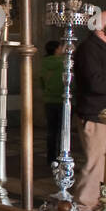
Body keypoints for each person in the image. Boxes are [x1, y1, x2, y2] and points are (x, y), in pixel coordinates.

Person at [74, 10, 106, 211]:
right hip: (95, 114)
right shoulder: (89, 49)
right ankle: (84, 204)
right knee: (97, 162)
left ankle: (103, 203)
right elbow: (95, 83)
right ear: (103, 28)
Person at [38, 40, 64, 171]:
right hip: (61, 100)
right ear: (56, 49)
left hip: (49, 100)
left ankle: (50, 158)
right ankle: (61, 157)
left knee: (51, 131)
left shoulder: (44, 63)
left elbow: (41, 82)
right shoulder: (62, 63)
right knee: (62, 130)